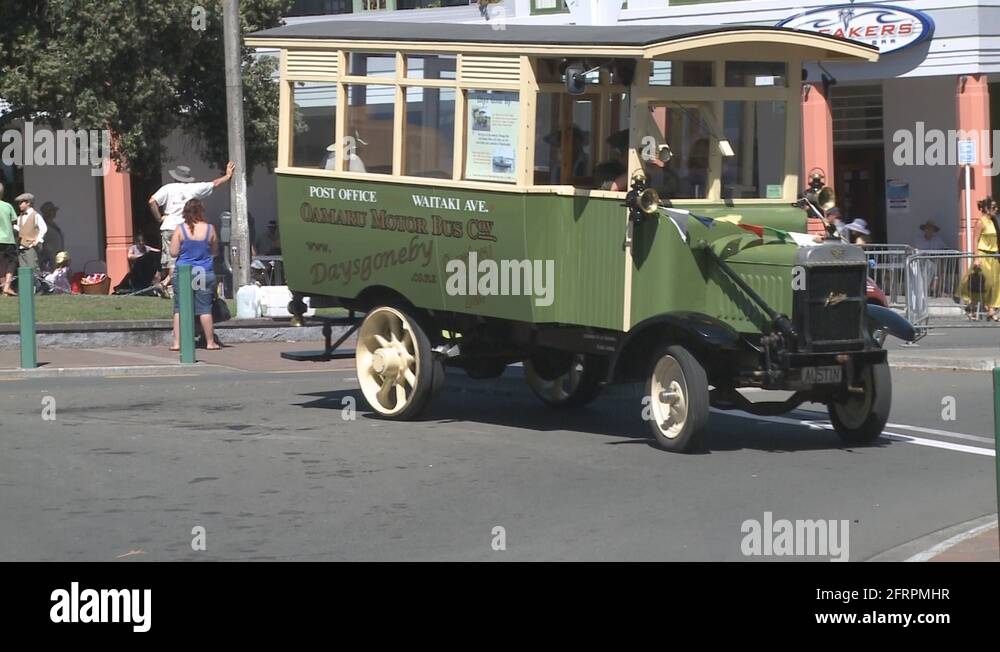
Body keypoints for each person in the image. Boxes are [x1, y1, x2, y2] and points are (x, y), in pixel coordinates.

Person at [149, 161, 234, 295]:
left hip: (168, 226)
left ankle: (169, 286)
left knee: (171, 260)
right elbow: (215, 183)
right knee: (185, 258)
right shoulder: (193, 188)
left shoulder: (167, 188)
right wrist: (227, 176)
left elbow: (152, 201)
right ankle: (168, 284)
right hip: (185, 229)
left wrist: (159, 218)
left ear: (174, 177)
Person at [169, 199, 221, 351]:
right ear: (201, 211)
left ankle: (178, 342)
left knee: (179, 308)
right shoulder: (210, 229)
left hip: (184, 273)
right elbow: (214, 251)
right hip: (204, 272)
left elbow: (173, 252)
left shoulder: (180, 229)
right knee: (205, 308)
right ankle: (210, 342)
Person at [959, 196, 1000, 320]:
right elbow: (975, 239)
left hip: (994, 255)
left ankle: (991, 310)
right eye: (993, 207)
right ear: (986, 209)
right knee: (982, 284)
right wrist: (976, 257)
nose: (996, 209)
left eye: (996, 206)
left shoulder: (994, 221)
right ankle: (971, 308)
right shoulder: (980, 221)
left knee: (994, 284)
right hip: (983, 255)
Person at [912, 219, 950, 298]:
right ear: (925, 230)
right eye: (928, 229)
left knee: (939, 268)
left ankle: (938, 290)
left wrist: (940, 254)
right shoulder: (918, 240)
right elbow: (913, 250)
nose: (929, 231)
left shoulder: (938, 240)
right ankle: (924, 291)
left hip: (935, 261)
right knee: (925, 268)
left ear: (933, 231)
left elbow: (945, 249)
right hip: (921, 261)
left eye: (931, 229)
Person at [13, 192, 47, 271]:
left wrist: (38, 240)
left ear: (28, 203)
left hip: (31, 247)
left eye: (21, 202)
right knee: (23, 270)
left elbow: (43, 228)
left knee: (33, 269)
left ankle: (36, 283)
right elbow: (20, 229)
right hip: (21, 247)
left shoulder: (36, 215)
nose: (19, 205)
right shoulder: (19, 217)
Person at [0, 183, 17, 296]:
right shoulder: (8, 206)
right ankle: (6, 287)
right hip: (8, 239)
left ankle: (3, 290)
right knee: (12, 262)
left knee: (1, 264)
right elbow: (14, 222)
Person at [39, 202, 65, 271]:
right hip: (49, 260)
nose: (54, 213)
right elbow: (42, 243)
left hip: (58, 258)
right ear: (48, 213)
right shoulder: (43, 226)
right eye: (53, 211)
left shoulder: (54, 224)